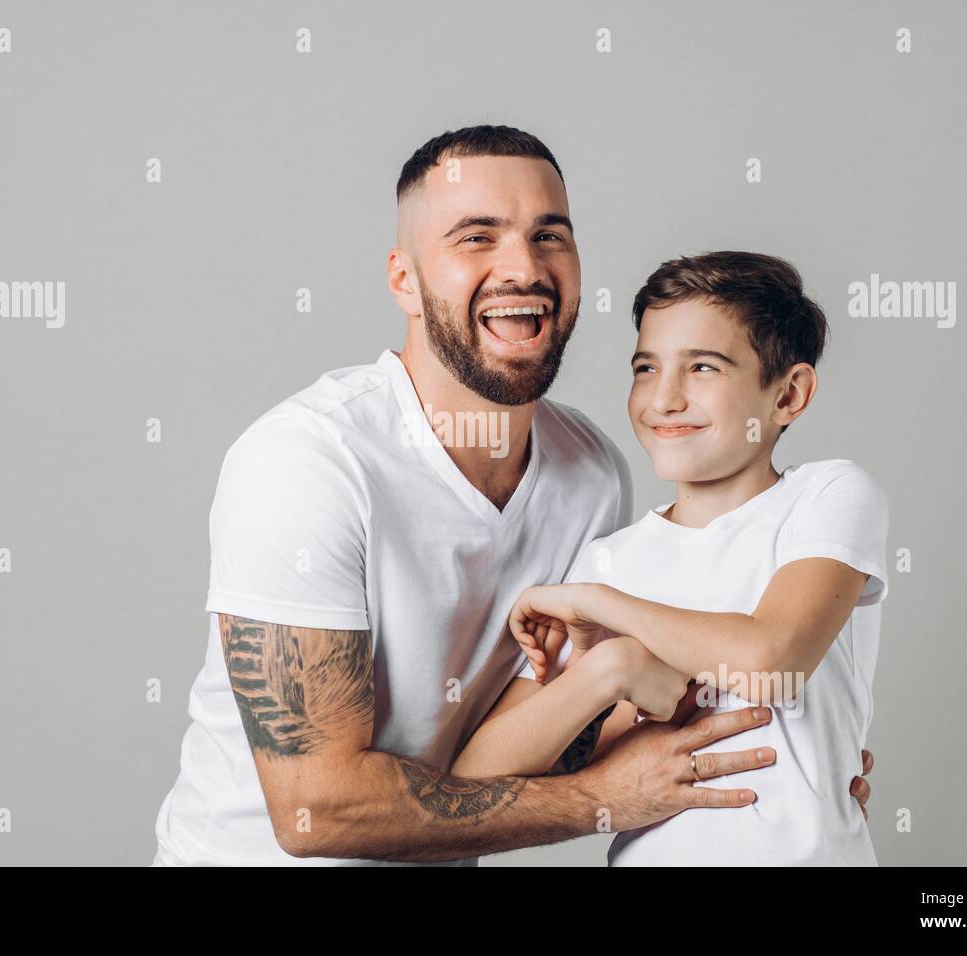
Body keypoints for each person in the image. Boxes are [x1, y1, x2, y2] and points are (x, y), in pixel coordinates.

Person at [152, 127, 873, 866]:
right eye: (476, 237)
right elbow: (319, 811)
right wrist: (605, 801)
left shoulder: (591, 473)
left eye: (548, 235)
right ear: (404, 279)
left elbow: (571, 735)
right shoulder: (308, 463)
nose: (522, 267)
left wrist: (791, 767)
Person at [454, 251, 886, 865]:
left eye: (704, 367)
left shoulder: (825, 498)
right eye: (646, 367)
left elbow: (769, 659)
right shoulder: (610, 561)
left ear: (789, 394)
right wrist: (612, 670)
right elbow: (474, 782)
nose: (664, 398)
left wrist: (603, 607)